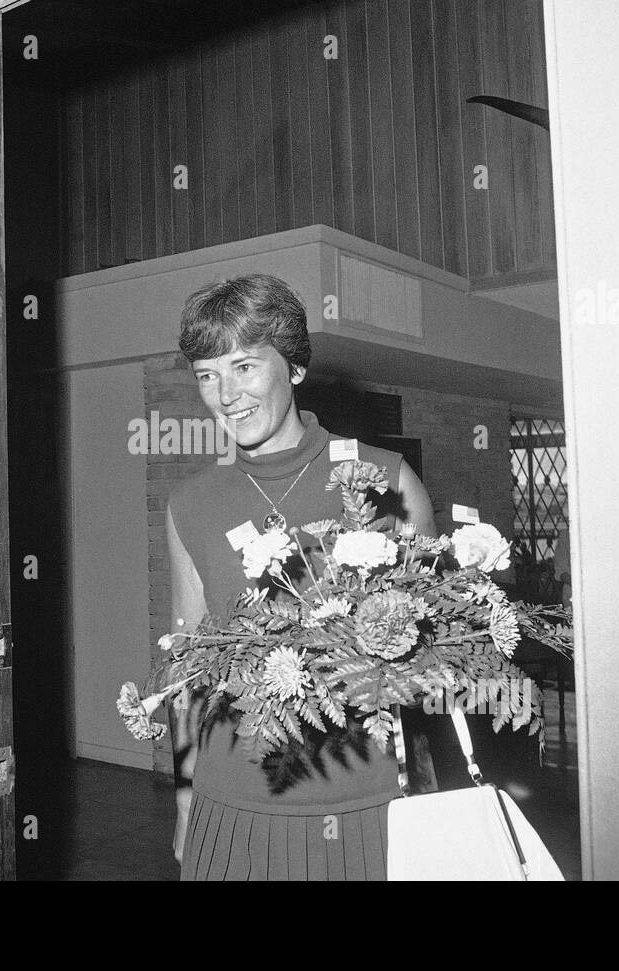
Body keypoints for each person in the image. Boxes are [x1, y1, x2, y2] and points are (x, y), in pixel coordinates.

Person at [166, 273, 442, 881]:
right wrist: (185, 795)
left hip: (360, 798)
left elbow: (434, 657)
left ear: (293, 368)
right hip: (229, 803)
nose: (225, 394)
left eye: (244, 367)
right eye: (208, 374)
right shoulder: (190, 503)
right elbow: (186, 667)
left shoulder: (385, 480)